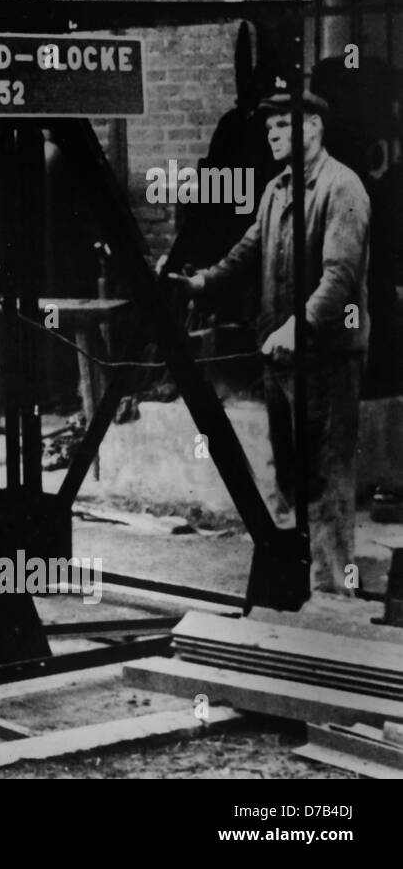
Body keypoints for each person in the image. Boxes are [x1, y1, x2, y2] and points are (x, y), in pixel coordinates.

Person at [169, 87, 370, 597]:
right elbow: (246, 252)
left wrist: (298, 327)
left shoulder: (342, 188)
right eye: (270, 129)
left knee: (326, 478)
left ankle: (332, 595)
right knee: (288, 476)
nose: (274, 135)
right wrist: (200, 283)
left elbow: (339, 276)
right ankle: (297, 583)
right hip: (280, 358)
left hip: (325, 358)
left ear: (314, 127)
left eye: (284, 126)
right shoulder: (278, 189)